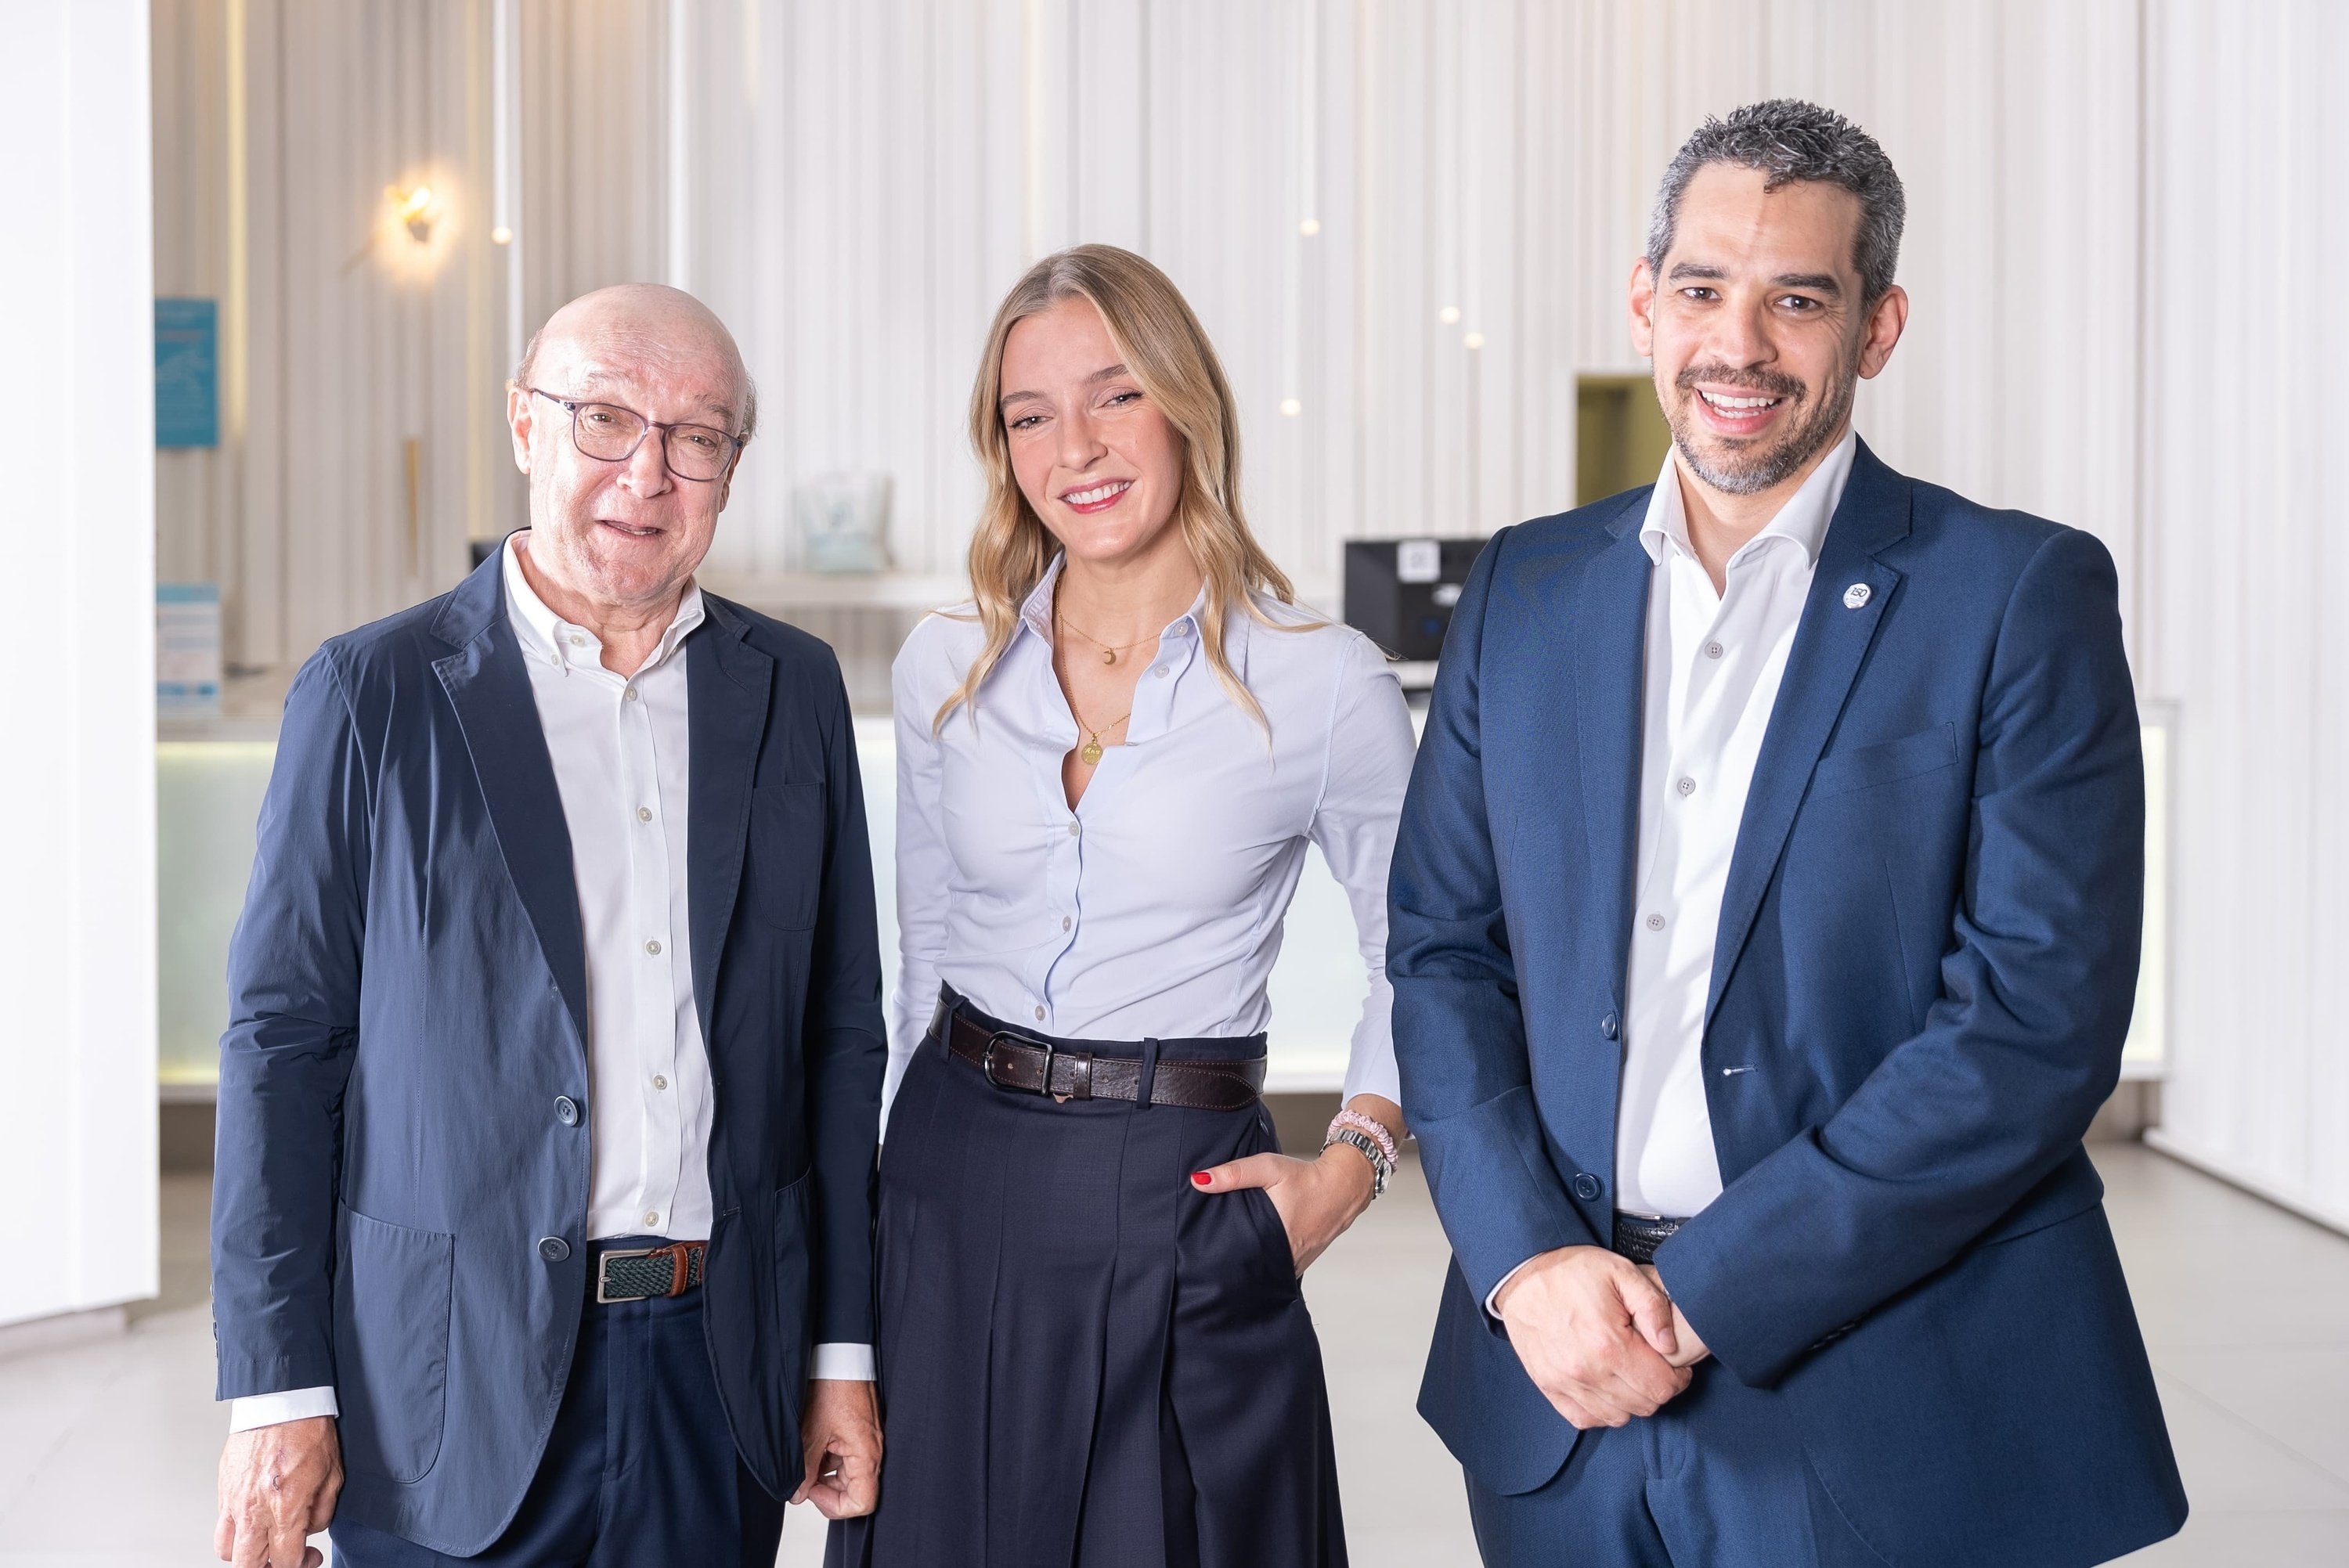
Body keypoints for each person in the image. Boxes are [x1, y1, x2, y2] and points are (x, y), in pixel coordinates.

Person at [1390, 100, 2188, 1567]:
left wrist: (1714, 1293)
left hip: (1882, 1379)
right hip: (1557, 1389)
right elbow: (1446, 951)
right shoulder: (1524, 590)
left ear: (1877, 328)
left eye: (1798, 298)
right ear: (1646, 304)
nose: (1738, 345)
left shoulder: (2015, 594)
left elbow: (2032, 1020)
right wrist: (1523, 1270)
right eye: (1702, 290)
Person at [210, 283, 886, 1568]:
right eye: (605, 419)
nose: (648, 473)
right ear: (525, 424)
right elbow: (283, 1050)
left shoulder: (792, 691)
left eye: (698, 438)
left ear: (732, 468)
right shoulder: (372, 694)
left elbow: (840, 1039)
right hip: (443, 1385)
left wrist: (839, 1350)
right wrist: (279, 1393)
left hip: (716, 1368)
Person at [827, 244, 1413, 1568]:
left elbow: (1426, 954)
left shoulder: (1324, 685)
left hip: (1180, 1185)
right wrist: (870, 1245)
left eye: (1114, 396)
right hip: (948, 1178)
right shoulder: (947, 670)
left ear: (1185, 405)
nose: (1074, 446)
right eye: (1029, 416)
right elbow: (923, 962)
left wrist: (1352, 1166)